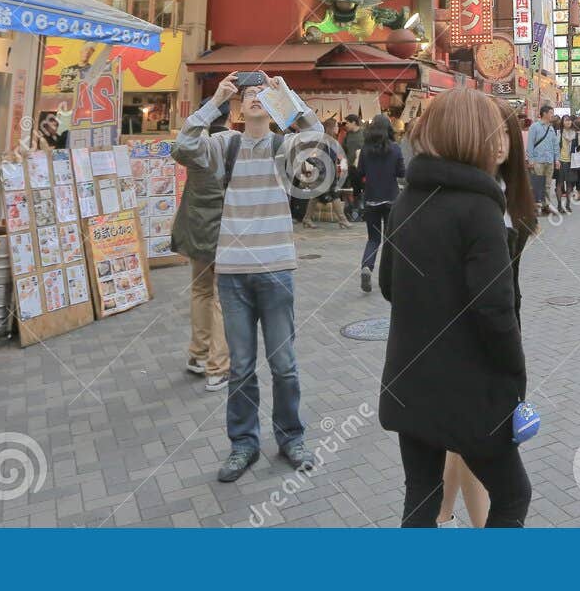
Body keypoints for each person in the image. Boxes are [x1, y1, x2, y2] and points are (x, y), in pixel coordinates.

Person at [379, 90, 532, 527]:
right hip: (470, 392)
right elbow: (495, 311)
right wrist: (513, 379)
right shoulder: (481, 209)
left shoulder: (407, 201)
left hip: (411, 382)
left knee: (421, 497)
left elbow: (390, 285)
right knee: (513, 495)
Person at [178, 73, 325, 483]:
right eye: (248, 94)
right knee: (241, 367)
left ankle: (291, 437)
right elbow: (184, 147)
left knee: (285, 365)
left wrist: (287, 95)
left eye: (261, 93)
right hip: (233, 273)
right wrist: (216, 100)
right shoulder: (225, 144)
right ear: (239, 106)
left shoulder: (284, 147)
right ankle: (243, 444)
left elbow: (317, 135)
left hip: (276, 268)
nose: (254, 98)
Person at [435, 103, 540, 527]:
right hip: (471, 339)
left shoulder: (502, 194)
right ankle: (449, 520)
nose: (498, 143)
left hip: (496, 330)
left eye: (505, 134)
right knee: (481, 448)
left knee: (462, 445)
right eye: (489, 134)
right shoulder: (466, 199)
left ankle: (446, 519)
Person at [169, 103, 231, 394]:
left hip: (197, 229)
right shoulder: (234, 144)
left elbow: (180, 147)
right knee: (221, 297)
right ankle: (218, 368)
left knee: (201, 290)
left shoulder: (198, 147)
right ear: (232, 116)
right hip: (225, 231)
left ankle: (198, 353)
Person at [355, 115, 404, 293]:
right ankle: (390, 276)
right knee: (390, 240)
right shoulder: (396, 149)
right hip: (391, 199)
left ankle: (367, 267)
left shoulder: (365, 149)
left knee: (373, 238)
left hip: (371, 199)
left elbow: (359, 172)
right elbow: (401, 172)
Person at [526, 105, 559, 216]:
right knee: (537, 184)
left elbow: (555, 145)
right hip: (538, 160)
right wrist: (531, 160)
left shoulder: (551, 128)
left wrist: (557, 159)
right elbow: (530, 144)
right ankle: (537, 206)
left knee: (548, 185)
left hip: (549, 160)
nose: (552, 115)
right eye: (551, 113)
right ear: (544, 113)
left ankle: (547, 205)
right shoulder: (534, 127)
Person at [342, 115, 366, 218]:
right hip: (351, 167)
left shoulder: (364, 134)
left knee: (364, 188)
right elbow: (344, 149)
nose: (346, 125)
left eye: (347, 122)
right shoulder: (348, 135)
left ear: (354, 122)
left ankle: (363, 209)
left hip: (363, 167)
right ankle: (356, 210)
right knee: (354, 189)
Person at [555, 116, 579, 214]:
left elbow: (577, 148)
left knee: (569, 184)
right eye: (566, 120)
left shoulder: (575, 134)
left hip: (571, 161)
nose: (568, 122)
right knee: (559, 184)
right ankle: (559, 205)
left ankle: (568, 205)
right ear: (562, 122)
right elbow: (555, 147)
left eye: (569, 120)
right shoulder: (558, 133)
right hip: (561, 161)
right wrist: (556, 160)